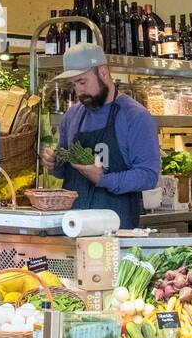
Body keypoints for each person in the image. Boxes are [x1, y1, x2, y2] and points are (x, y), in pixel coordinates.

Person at [41, 43, 161, 228]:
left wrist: (102, 179)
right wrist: (53, 164)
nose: (78, 91)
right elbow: (64, 171)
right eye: (74, 84)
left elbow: (148, 176)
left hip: (117, 232)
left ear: (103, 73)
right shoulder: (72, 116)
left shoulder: (135, 116)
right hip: (73, 227)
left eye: (82, 82)